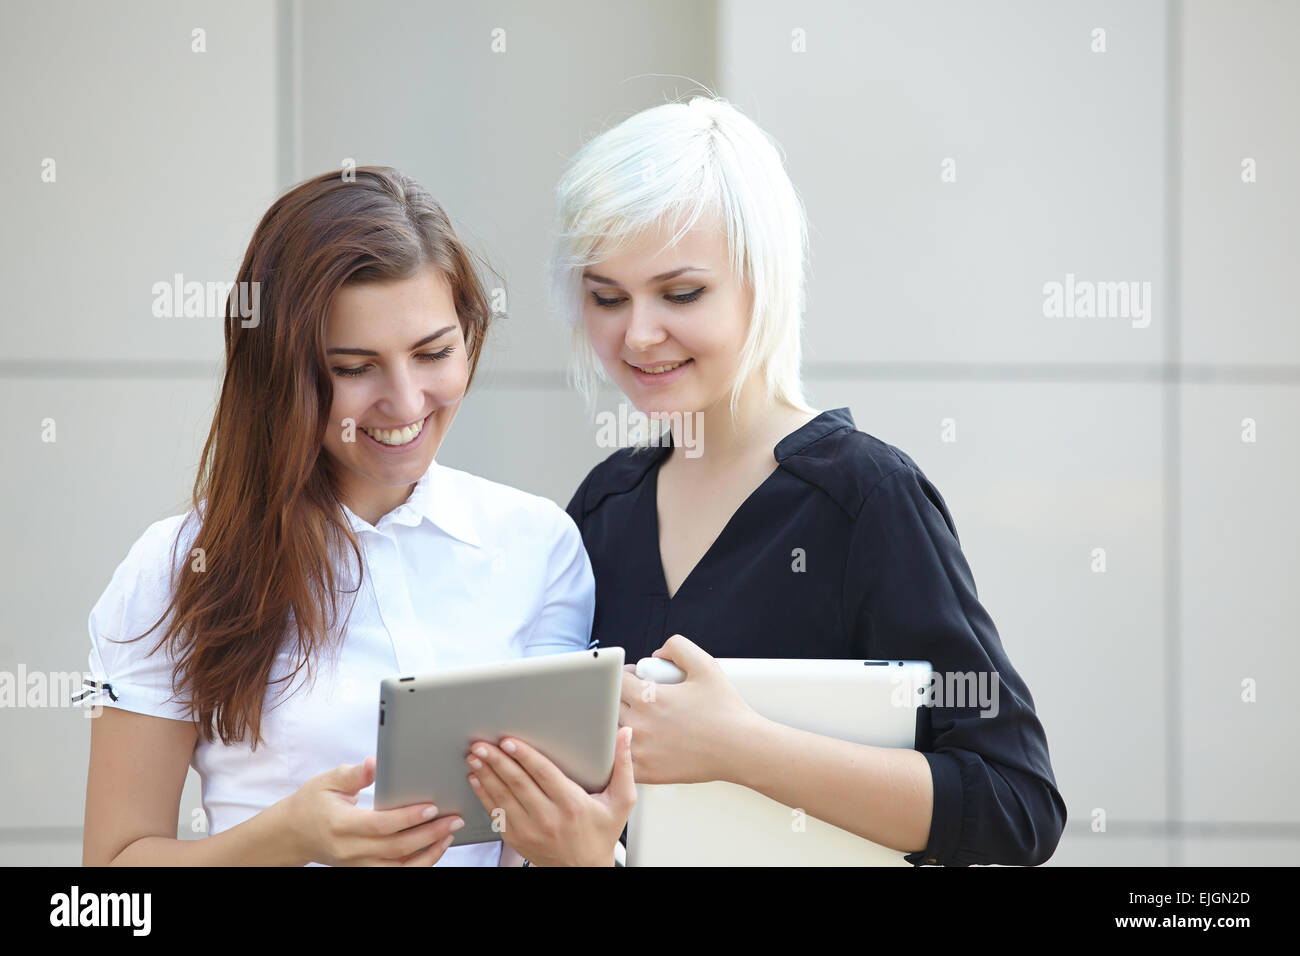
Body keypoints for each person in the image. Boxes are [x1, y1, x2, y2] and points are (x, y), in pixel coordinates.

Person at [462, 97, 1067, 867]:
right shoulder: (605, 507)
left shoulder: (865, 498)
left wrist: (740, 747)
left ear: (763, 281)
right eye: (607, 297)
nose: (637, 333)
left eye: (681, 293)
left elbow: (1016, 804)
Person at [80, 166, 634, 867]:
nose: (405, 403)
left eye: (433, 353)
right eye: (354, 367)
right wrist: (289, 839)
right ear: (282, 371)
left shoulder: (538, 544)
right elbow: (110, 881)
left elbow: (548, 838)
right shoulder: (179, 568)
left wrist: (585, 854)